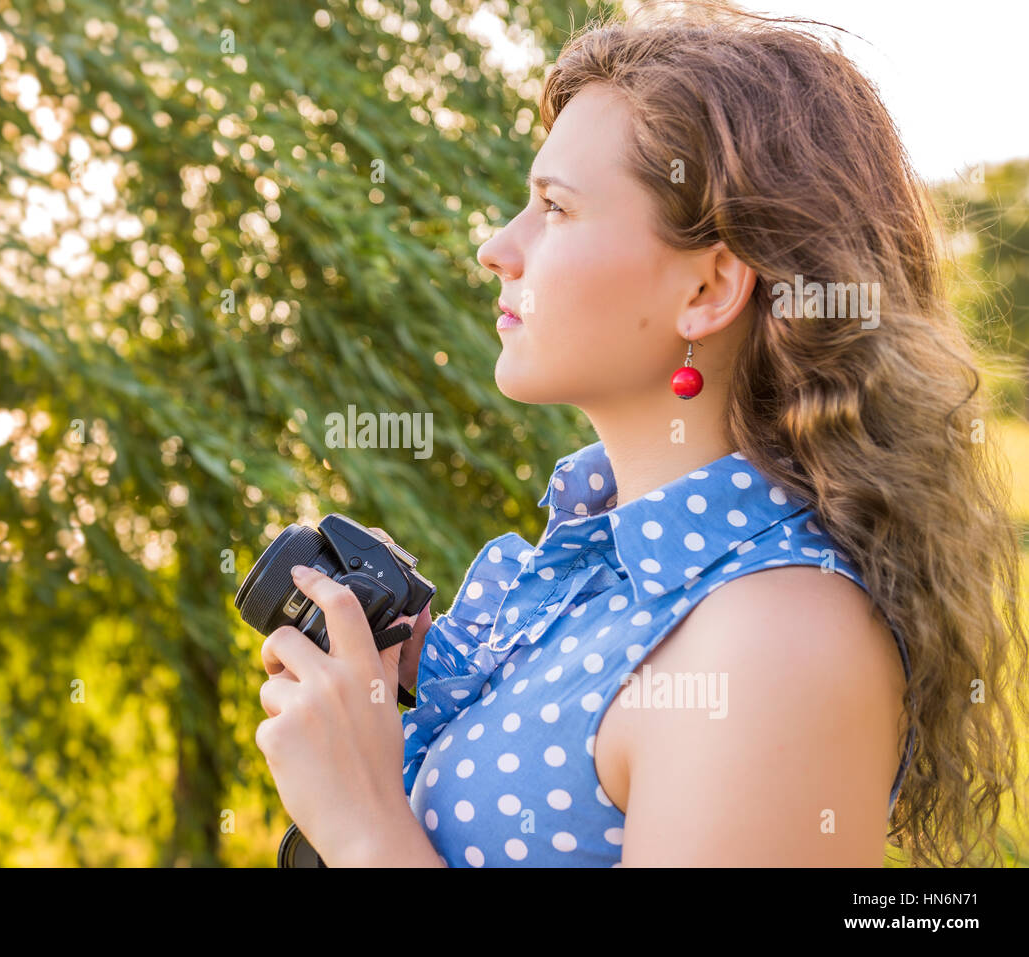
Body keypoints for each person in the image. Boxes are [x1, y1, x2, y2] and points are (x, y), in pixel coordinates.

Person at [254, 0, 1026, 867]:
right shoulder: (595, 586)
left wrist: (365, 828)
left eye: (555, 207)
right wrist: (426, 675)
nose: (497, 248)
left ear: (708, 291)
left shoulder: (773, 646)